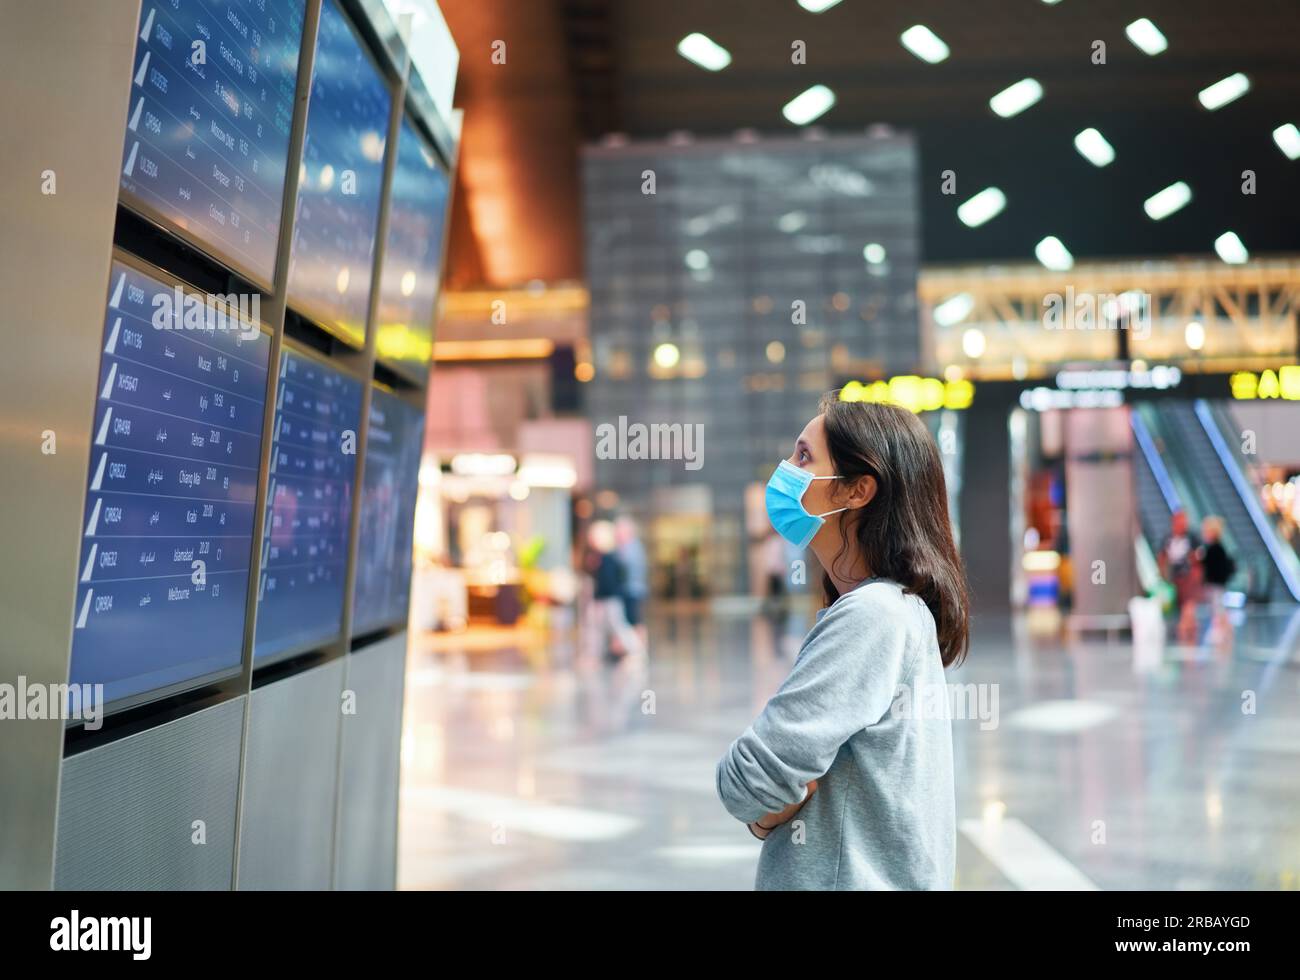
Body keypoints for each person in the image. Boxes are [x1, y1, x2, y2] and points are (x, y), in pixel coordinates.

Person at [715, 394, 969, 890]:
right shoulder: (897, 610)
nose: (785, 471)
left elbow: (746, 780)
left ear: (856, 490)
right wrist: (775, 804)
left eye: (804, 457)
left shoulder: (872, 616)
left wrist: (766, 811)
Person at [588, 519, 643, 662]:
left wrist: (601, 597)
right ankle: (622, 649)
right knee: (614, 626)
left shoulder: (612, 556)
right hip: (613, 596)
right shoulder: (613, 554)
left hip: (614, 597)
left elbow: (612, 580)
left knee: (621, 625)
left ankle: (636, 648)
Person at [1158, 510, 1201, 645]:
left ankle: (1187, 630)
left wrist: (1196, 573)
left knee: (1189, 605)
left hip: (1188, 577)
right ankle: (1181, 628)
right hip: (1173, 577)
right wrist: (1162, 573)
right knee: (1177, 605)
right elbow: (1162, 556)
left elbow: (1197, 557)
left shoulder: (1191, 538)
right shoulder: (1168, 538)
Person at [1198, 515, 1235, 649]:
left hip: (1215, 584)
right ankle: (1224, 629)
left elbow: (1210, 565)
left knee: (1217, 608)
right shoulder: (1215, 548)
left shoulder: (1215, 549)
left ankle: (1220, 630)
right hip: (1216, 583)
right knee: (1217, 607)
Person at [614, 515, 649, 650]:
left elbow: (627, 569)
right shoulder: (624, 547)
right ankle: (631, 647)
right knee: (629, 621)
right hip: (627, 590)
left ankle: (639, 648)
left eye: (619, 531)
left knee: (634, 620)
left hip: (633, 590)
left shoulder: (633, 547)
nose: (617, 535)